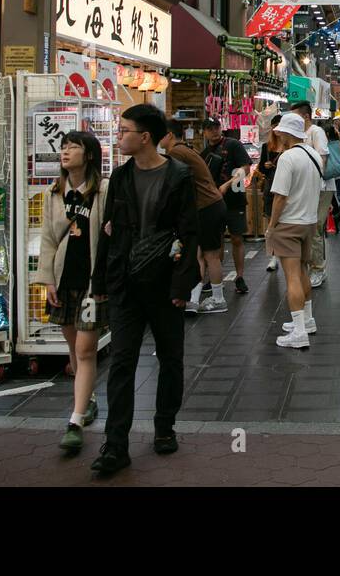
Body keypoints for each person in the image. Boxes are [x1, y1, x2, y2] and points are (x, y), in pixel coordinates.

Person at [89, 105, 200, 476]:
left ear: (145, 137)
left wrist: (183, 283)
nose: (118, 136)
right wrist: (100, 282)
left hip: (165, 281)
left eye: (123, 131)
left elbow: (189, 232)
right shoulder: (119, 177)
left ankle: (164, 426)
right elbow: (109, 228)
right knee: (122, 361)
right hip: (125, 283)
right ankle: (115, 444)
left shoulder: (179, 176)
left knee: (171, 357)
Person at [34, 131, 109, 452]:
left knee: (85, 349)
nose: (65, 152)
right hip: (65, 282)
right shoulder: (54, 193)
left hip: (94, 283)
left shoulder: (104, 191)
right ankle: (87, 398)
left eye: (73, 147)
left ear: (88, 154)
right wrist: (48, 280)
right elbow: (48, 239)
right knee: (72, 345)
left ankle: (75, 420)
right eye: (63, 147)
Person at [267, 114, 325, 349]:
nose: (277, 134)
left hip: (289, 223)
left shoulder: (287, 158)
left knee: (291, 276)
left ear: (285, 133)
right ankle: (306, 320)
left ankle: (299, 331)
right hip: (309, 221)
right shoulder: (313, 153)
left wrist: (271, 227)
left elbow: (280, 196)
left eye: (279, 132)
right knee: (302, 270)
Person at [160, 118, 229, 314]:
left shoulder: (176, 153)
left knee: (210, 255)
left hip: (208, 207)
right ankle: (193, 298)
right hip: (209, 206)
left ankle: (218, 299)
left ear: (170, 135)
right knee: (198, 253)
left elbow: (172, 184)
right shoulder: (184, 150)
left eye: (161, 134)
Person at [200, 119, 251, 295]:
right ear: (204, 132)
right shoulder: (204, 153)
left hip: (235, 199)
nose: (214, 131)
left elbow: (246, 168)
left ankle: (240, 277)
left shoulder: (233, 144)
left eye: (216, 128)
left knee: (237, 238)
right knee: (217, 241)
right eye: (209, 129)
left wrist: (227, 185)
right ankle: (216, 280)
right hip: (213, 204)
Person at [291, 100, 335, 288]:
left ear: (306, 116)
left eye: (295, 116)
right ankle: (312, 266)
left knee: (315, 227)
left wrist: (313, 181)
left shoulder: (316, 132)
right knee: (308, 227)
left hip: (321, 187)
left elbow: (322, 158)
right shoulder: (298, 134)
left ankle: (318, 269)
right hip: (305, 189)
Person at [258, 114, 284, 273]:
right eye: (275, 126)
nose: (277, 130)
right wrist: (265, 166)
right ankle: (273, 256)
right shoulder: (266, 147)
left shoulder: (290, 146)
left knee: (285, 222)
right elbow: (260, 168)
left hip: (286, 189)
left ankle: (286, 253)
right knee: (271, 222)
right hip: (271, 187)